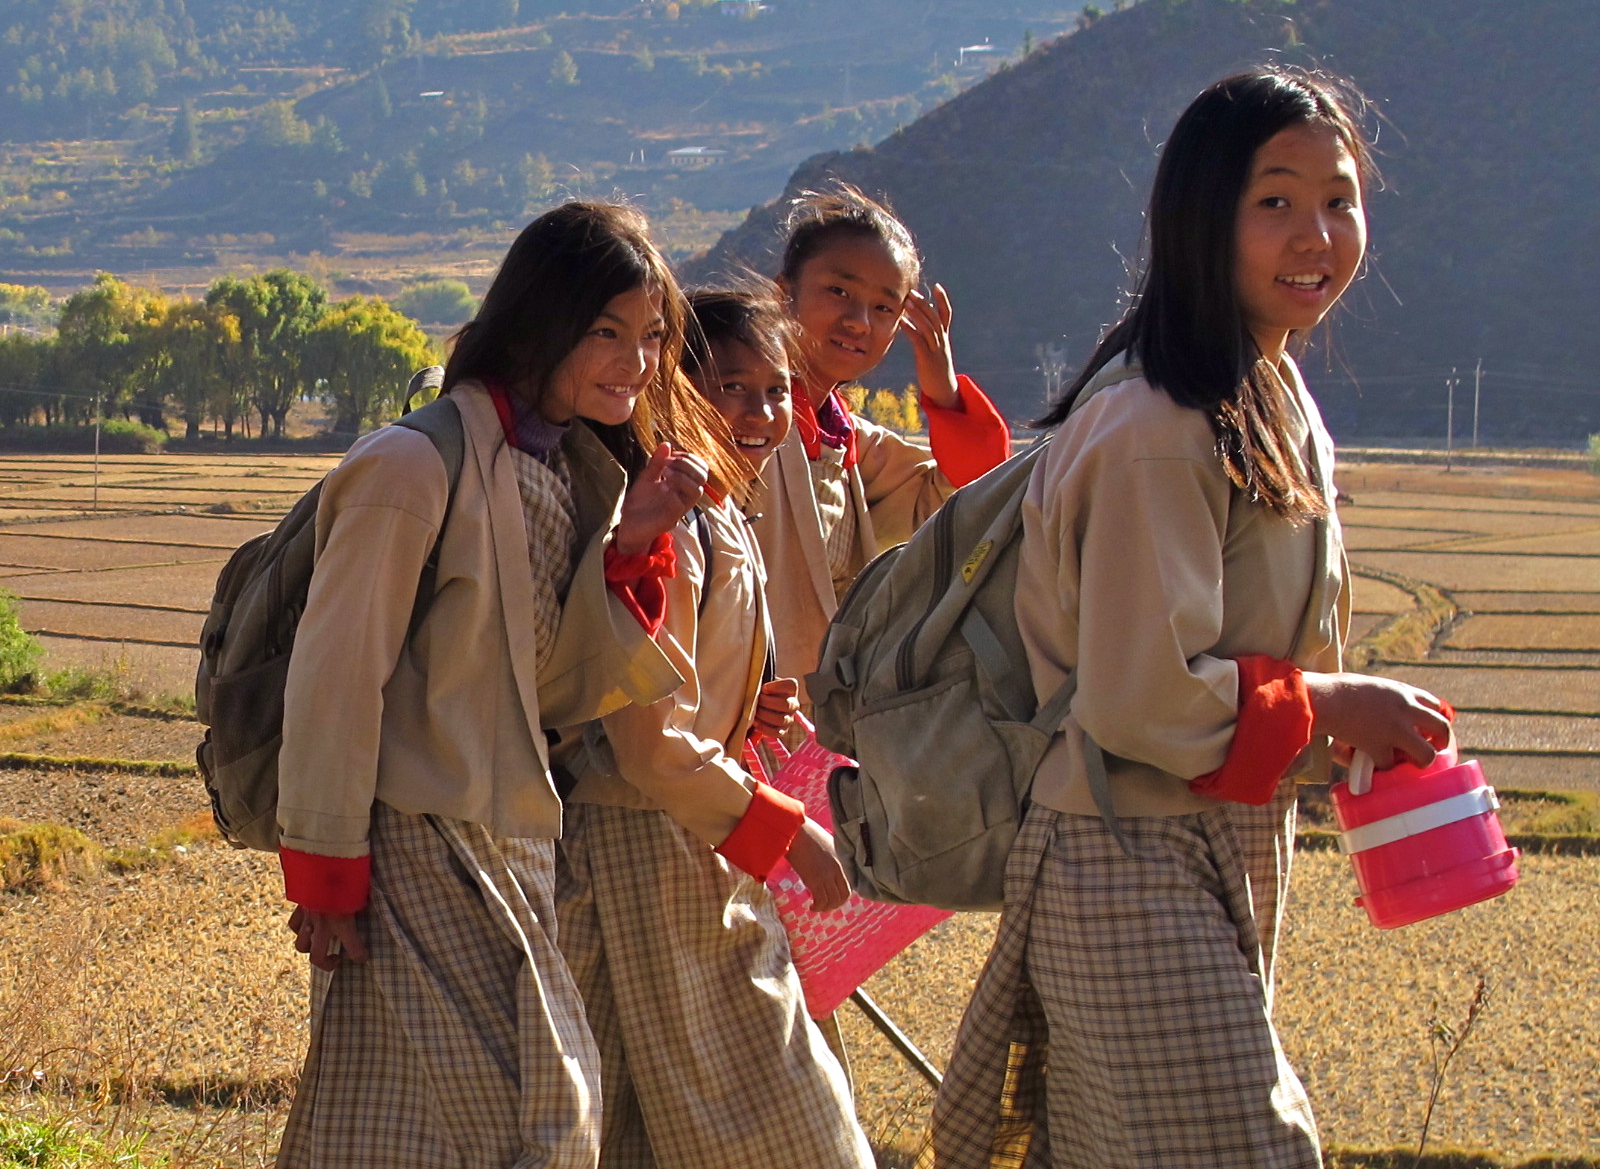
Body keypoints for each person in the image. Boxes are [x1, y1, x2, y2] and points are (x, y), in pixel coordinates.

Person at [928, 69, 1455, 1169]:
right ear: (1199, 217)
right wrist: (1333, 701)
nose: (1316, 233)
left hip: (1210, 847)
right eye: (1274, 202)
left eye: (1339, 198)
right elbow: (1140, 696)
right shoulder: (1161, 422)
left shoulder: (1265, 395)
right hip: (1129, 858)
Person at [274, 201, 732, 1168]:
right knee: (537, 1122)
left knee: (404, 1132)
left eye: (651, 338)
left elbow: (550, 696)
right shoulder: (412, 464)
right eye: (606, 331)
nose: (636, 364)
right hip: (415, 843)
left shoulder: (562, 475)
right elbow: (334, 678)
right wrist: (326, 870)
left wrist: (634, 542)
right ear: (539, 317)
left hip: (512, 844)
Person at [554, 284, 876, 1168]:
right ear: (674, 389)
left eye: (777, 391)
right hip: (657, 846)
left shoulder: (718, 513)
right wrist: (789, 833)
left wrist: (747, 708)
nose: (761, 413)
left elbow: (682, 697)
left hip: (684, 839)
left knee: (627, 1114)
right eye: (732, 387)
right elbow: (647, 740)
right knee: (780, 1117)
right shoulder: (673, 526)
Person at [754, 185, 1012, 702]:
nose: (859, 322)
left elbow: (974, 488)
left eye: (884, 307)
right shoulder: (739, 422)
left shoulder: (849, 444)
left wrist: (941, 382)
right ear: (784, 293)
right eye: (840, 293)